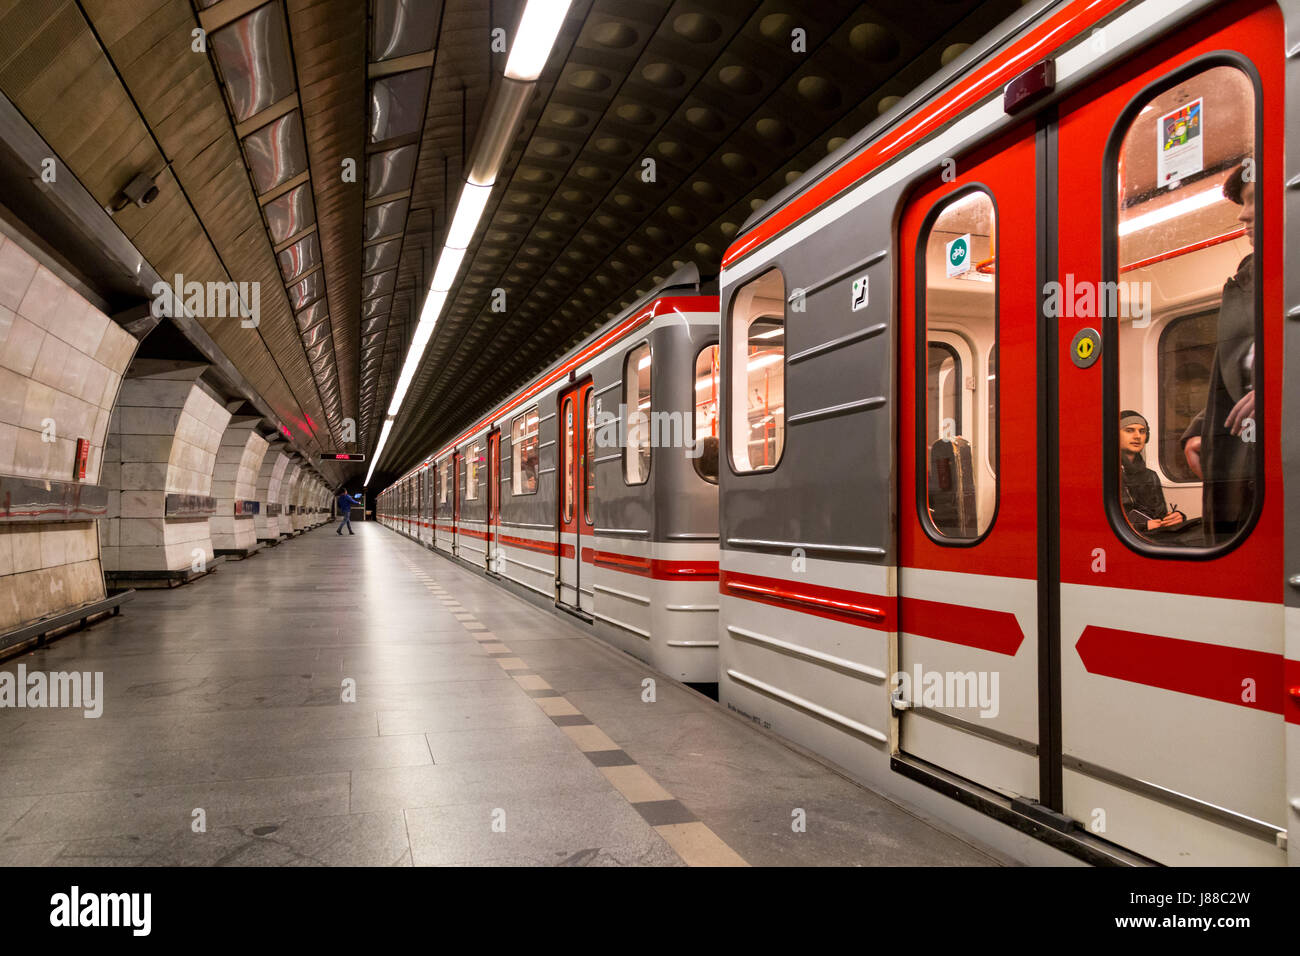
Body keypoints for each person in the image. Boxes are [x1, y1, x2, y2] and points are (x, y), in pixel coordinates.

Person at [1181, 161, 1256, 544]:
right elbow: (1237, 371)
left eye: (1254, 199)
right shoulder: (1249, 278)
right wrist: (1201, 430)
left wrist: (1281, 387)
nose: (1243, 214)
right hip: (1240, 459)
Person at [1119, 410, 1184, 534]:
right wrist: (1143, 526)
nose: (1137, 436)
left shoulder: (1150, 476)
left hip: (1152, 537)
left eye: (1142, 431)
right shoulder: (1105, 474)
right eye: (1129, 430)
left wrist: (1175, 517)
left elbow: (1160, 515)